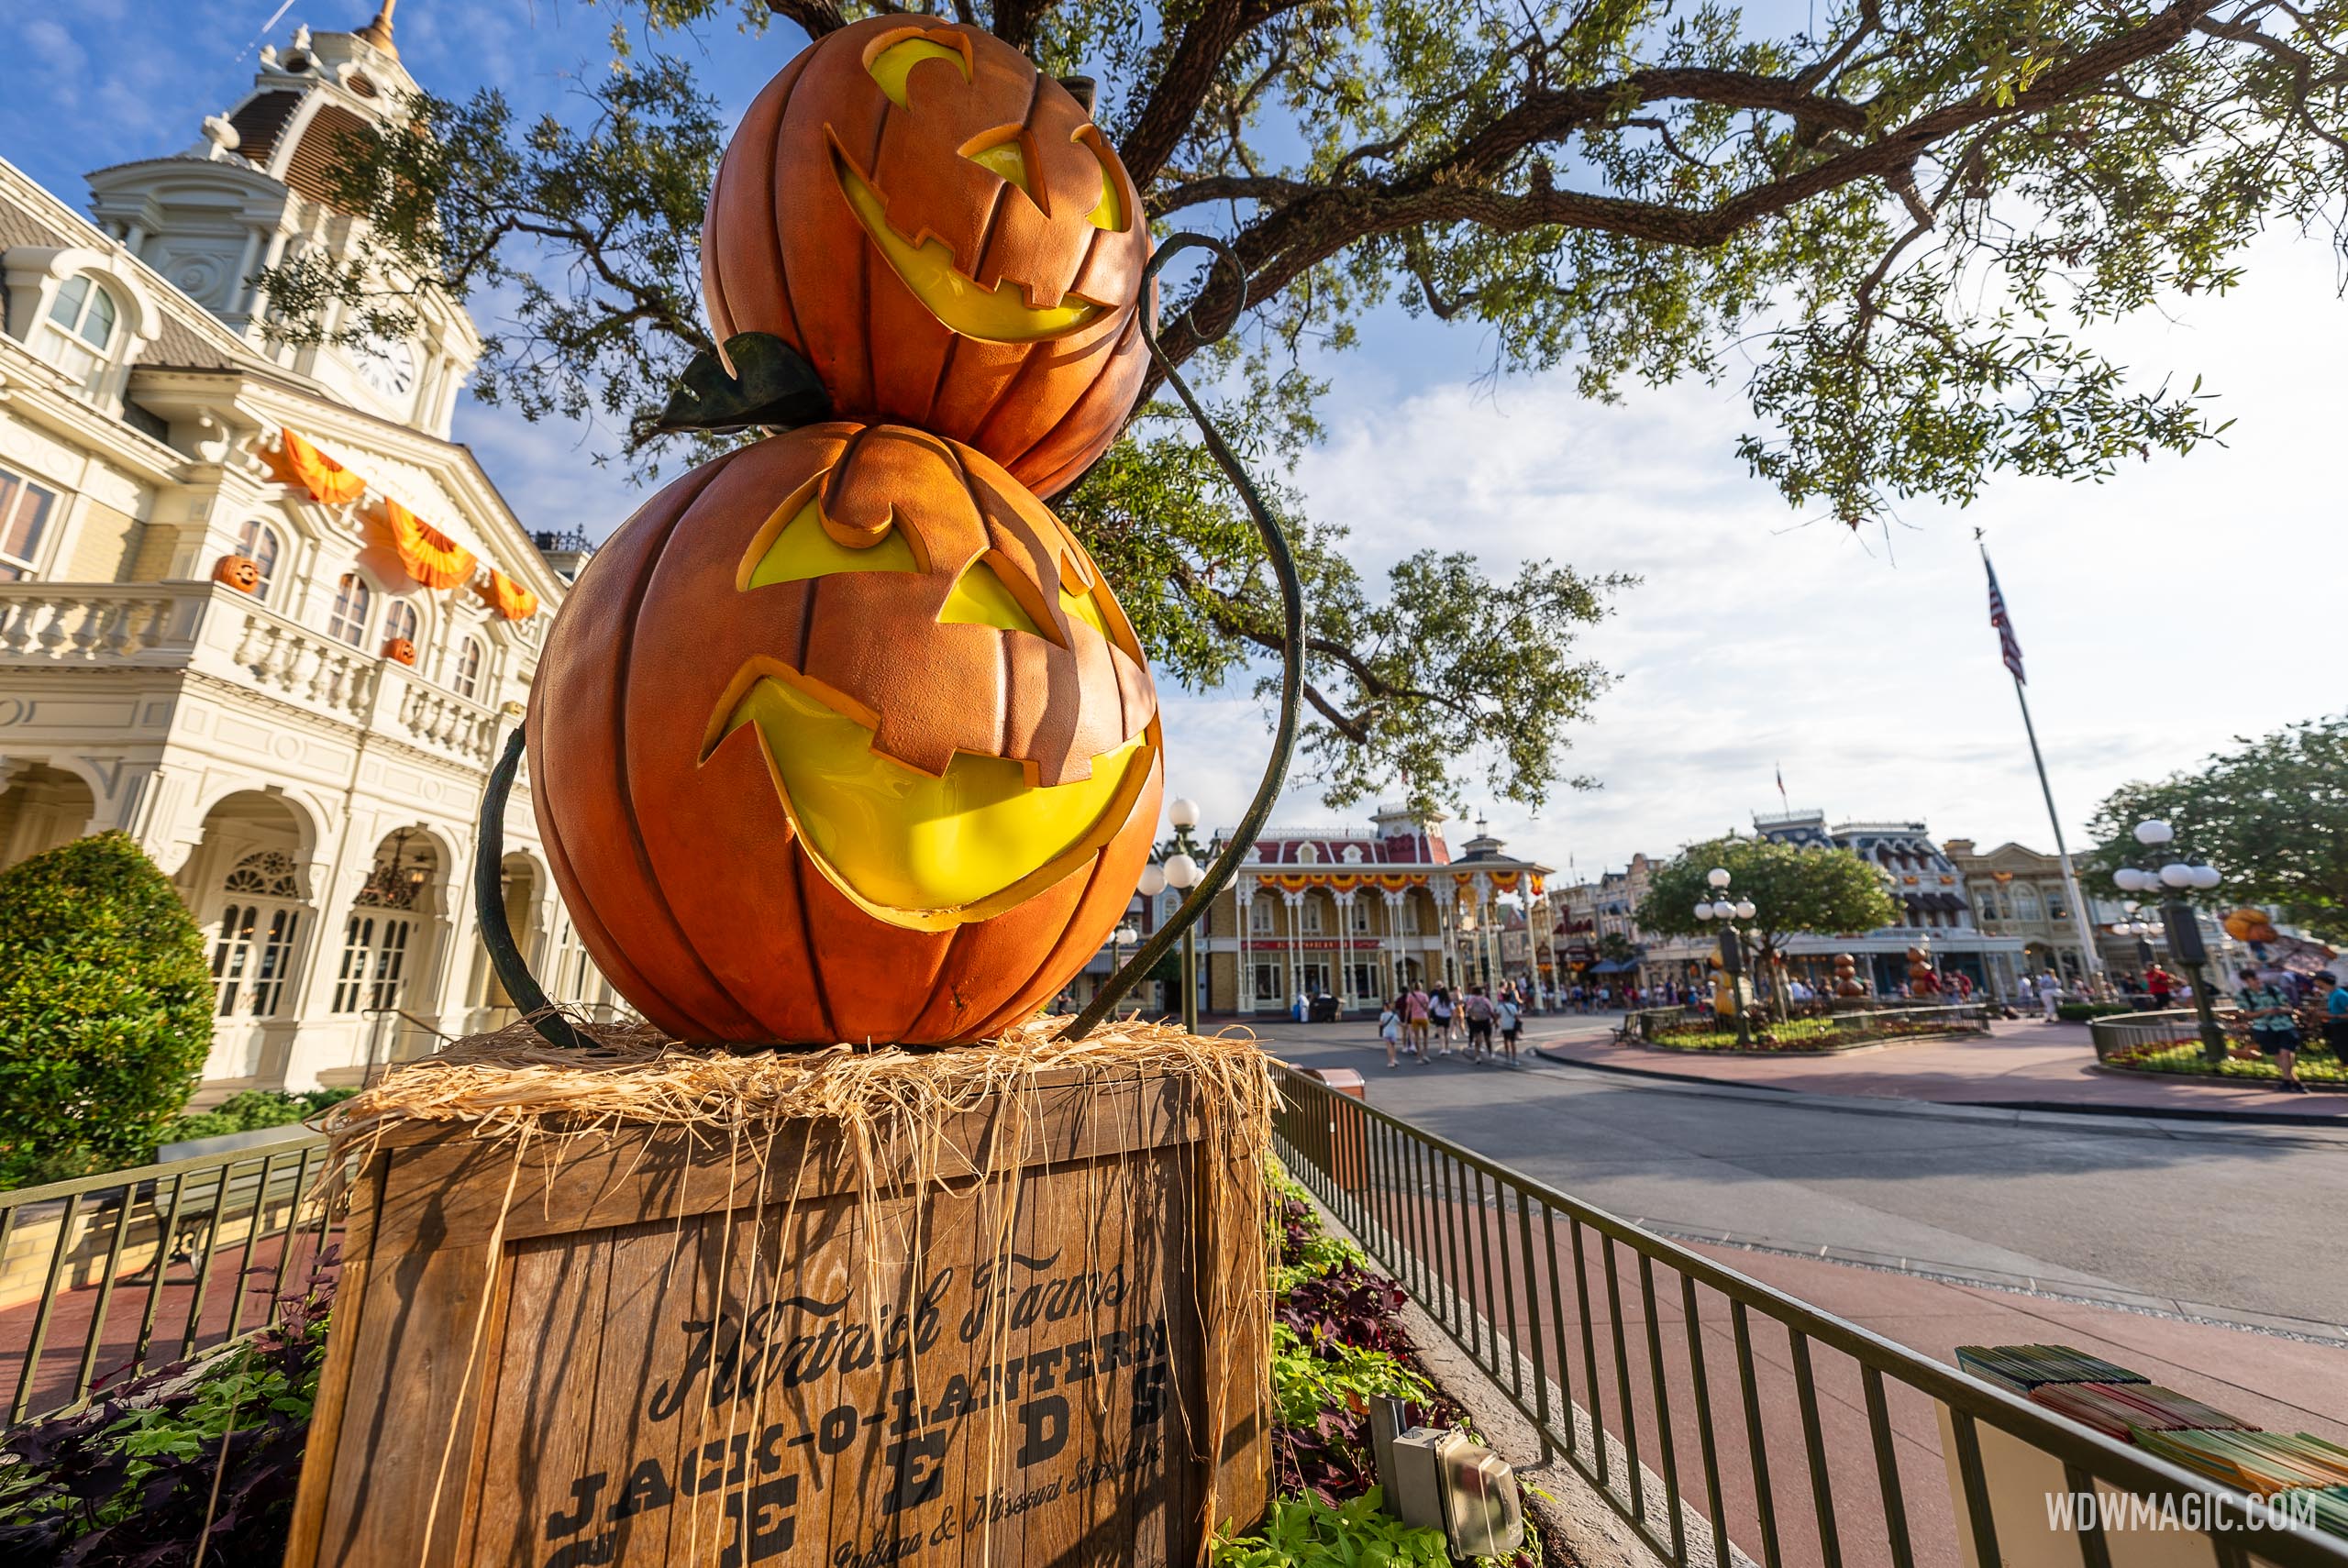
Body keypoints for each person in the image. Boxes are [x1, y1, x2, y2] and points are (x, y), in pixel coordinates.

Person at [2237, 966, 2307, 1090]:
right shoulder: (2243, 995)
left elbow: (2289, 1007)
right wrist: (2265, 1011)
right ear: (2245, 982)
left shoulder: (2272, 990)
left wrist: (2279, 1010)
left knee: (2286, 1053)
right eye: (2250, 980)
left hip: (2283, 1024)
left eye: (2255, 978)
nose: (2255, 981)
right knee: (2278, 1055)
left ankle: (2287, 1081)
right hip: (2264, 1027)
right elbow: (2248, 1014)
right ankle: (2294, 1082)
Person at [2322, 972, 2348, 1073]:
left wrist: (2332, 1016)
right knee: (2340, 1049)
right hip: (2337, 1026)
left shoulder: (2340, 994)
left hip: (2344, 1027)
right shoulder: (2333, 994)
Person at [1463, 985, 1496, 1059]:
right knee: (1488, 1038)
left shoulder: (1471, 1000)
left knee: (1478, 1038)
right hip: (1485, 1020)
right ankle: (1491, 1053)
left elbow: (1468, 1010)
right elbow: (1491, 1010)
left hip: (1476, 1021)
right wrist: (1495, 1021)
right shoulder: (1485, 1000)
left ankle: (1477, 1056)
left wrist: (1472, 1017)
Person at [1498, 989, 1523, 1066]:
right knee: (1513, 1042)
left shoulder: (1500, 1007)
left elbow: (1497, 1016)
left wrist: (1496, 1023)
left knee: (1506, 1041)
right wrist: (1520, 1027)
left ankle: (1507, 1057)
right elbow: (1517, 1017)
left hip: (1505, 1026)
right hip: (1512, 1026)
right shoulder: (1513, 1007)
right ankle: (1514, 1059)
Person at [1405, 983, 1431, 1056]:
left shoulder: (1410, 996)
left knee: (1417, 1037)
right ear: (1421, 987)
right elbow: (1427, 1008)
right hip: (1423, 1017)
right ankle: (1425, 1054)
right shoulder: (1424, 995)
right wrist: (1429, 1017)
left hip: (1415, 1018)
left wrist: (1406, 1020)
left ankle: (1419, 1055)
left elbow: (1408, 1009)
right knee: (1425, 1036)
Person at [1379, 994, 1403, 1068]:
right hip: (1393, 1033)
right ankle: (1394, 1059)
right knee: (1393, 1047)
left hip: (1386, 1033)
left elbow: (1381, 1023)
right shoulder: (1394, 1015)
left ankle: (1391, 1061)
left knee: (1388, 1048)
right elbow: (1400, 1023)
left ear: (1385, 1007)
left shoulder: (1383, 1015)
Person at [1431, 986, 1456, 1056]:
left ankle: (1442, 1049)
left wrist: (1430, 1015)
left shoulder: (1436, 999)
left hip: (1438, 1017)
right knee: (1446, 1034)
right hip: (1447, 1018)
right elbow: (1453, 1010)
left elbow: (1430, 1007)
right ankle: (1447, 1049)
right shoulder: (1448, 999)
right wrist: (1453, 1019)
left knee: (1441, 1034)